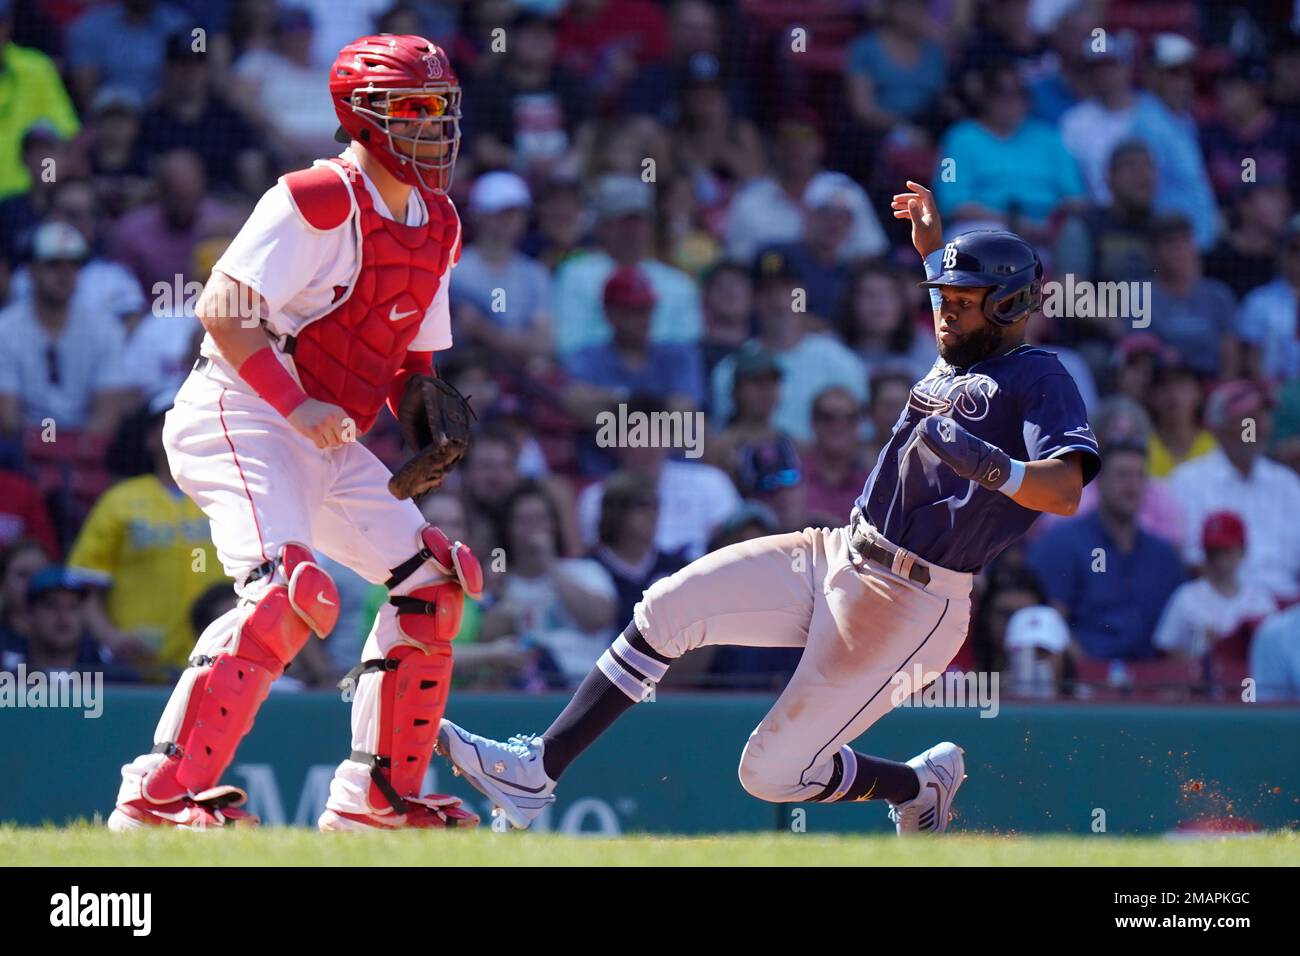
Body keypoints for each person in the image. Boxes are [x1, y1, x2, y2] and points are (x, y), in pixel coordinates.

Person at [435, 181, 1101, 836]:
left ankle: (917, 784)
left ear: (1012, 306)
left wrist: (992, 466)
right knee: (665, 609)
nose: (947, 312)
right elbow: (957, 320)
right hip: (841, 549)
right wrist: (932, 248)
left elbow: (1066, 489)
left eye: (965, 302)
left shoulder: (1040, 374)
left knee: (770, 773)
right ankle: (534, 770)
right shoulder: (959, 354)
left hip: (913, 602)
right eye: (943, 299)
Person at [108, 34, 482, 833]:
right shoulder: (315, 196)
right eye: (412, 109)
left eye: (440, 107)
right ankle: (159, 794)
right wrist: (296, 406)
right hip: (239, 410)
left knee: (436, 584)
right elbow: (223, 310)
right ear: (362, 117)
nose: (433, 125)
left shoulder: (439, 222)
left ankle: (375, 797)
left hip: (324, 434)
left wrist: (422, 413)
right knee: (288, 592)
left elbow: (406, 350)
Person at [67, 395, 231, 679]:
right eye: (168, 421)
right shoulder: (120, 500)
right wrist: (111, 637)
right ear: (151, 439)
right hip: (140, 668)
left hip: (222, 663)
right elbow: (84, 588)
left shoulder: (228, 496)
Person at [1028, 440, 1185, 661]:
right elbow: (1048, 620)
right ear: (1099, 482)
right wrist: (1087, 674)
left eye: (1139, 475)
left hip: (1154, 684)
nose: (1132, 485)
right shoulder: (1061, 543)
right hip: (1082, 681)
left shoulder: (1164, 557)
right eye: (1122, 475)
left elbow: (1179, 636)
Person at [1168, 380, 1300, 602]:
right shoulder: (1187, 481)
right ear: (1219, 426)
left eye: (1264, 417)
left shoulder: (1287, 483)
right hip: (1223, 606)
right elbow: (1192, 561)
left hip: (1286, 606)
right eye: (1249, 419)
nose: (1260, 426)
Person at [1153, 512, 1276, 660]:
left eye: (1226, 551)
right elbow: (1165, 650)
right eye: (1213, 552)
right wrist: (1198, 652)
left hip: (1249, 680)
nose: (1220, 560)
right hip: (1201, 680)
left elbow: (1274, 651)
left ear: (1242, 551)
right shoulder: (1187, 596)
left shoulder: (1260, 599)